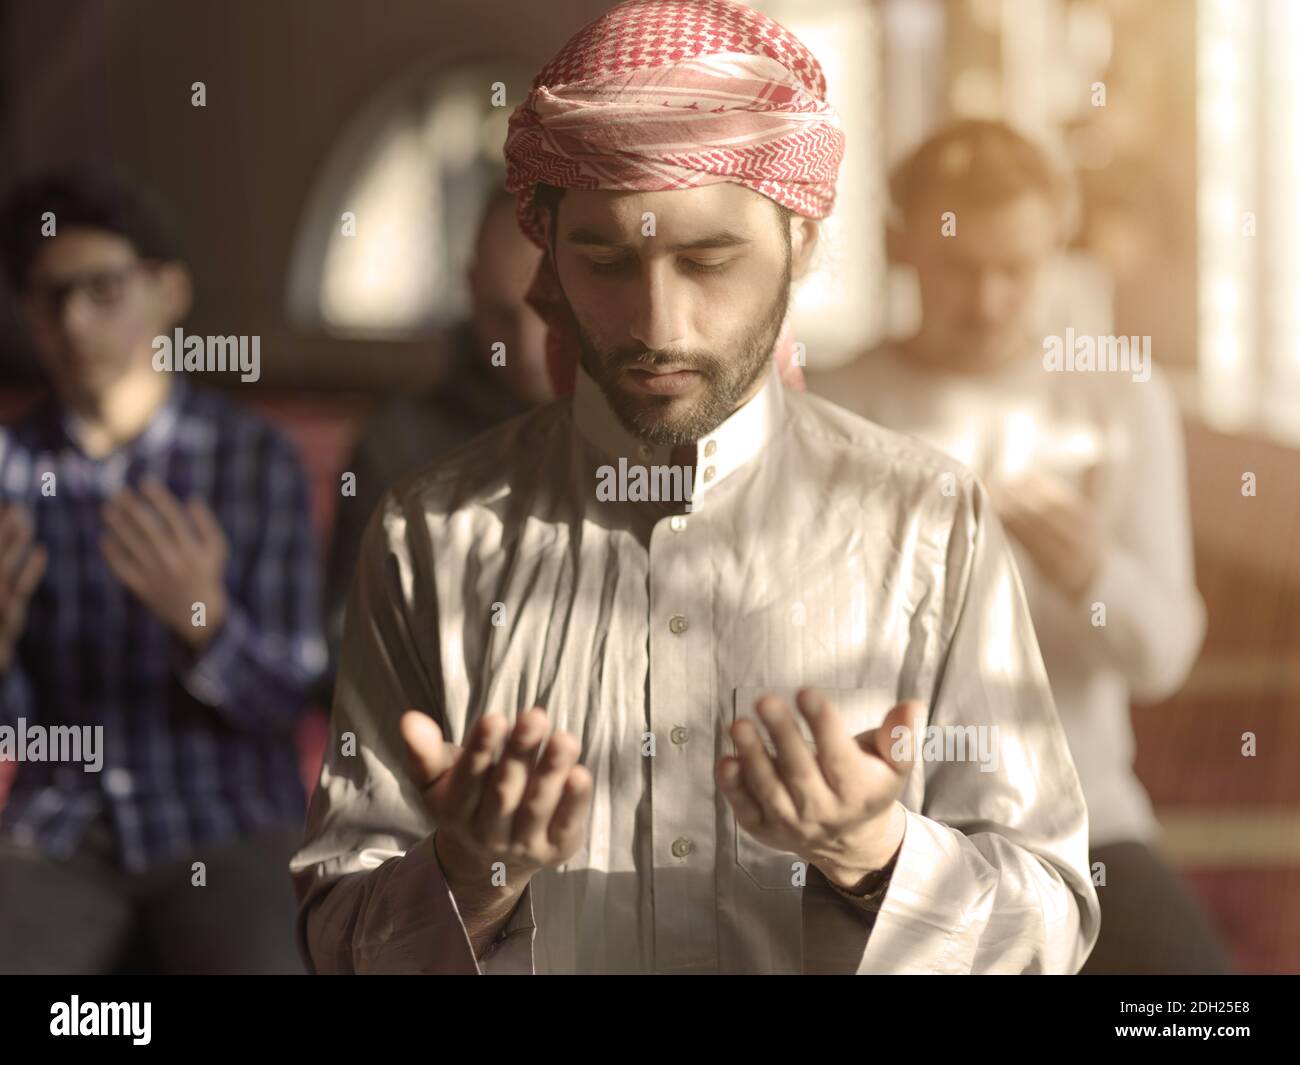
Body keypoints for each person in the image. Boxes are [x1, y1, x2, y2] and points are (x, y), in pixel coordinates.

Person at [291, 0, 1100, 975]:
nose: (656, 324)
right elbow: (336, 941)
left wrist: (878, 858)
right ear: (545, 246)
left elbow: (1048, 919)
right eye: (605, 261)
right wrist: (467, 875)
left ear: (801, 240)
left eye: (709, 259)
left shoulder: (923, 519)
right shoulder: (434, 533)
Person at [806, 120, 1233, 974]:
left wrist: (1089, 572)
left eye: (1017, 269)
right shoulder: (832, 405)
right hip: (887, 827)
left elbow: (1163, 660)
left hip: (1087, 819)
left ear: (1057, 253)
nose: (990, 299)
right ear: (901, 246)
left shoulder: (1115, 396)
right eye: (960, 267)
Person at [0, 165, 326, 974]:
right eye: (49, 296)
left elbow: (294, 695)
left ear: (168, 292)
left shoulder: (251, 459)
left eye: (101, 288)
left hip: (227, 815)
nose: (73, 319)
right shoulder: (9, 467)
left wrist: (206, 624)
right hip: (62, 825)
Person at [321, 186, 549, 681]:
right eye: (503, 316)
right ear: (470, 291)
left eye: (549, 310)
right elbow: (343, 642)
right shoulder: (399, 441)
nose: (527, 349)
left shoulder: (650, 429)